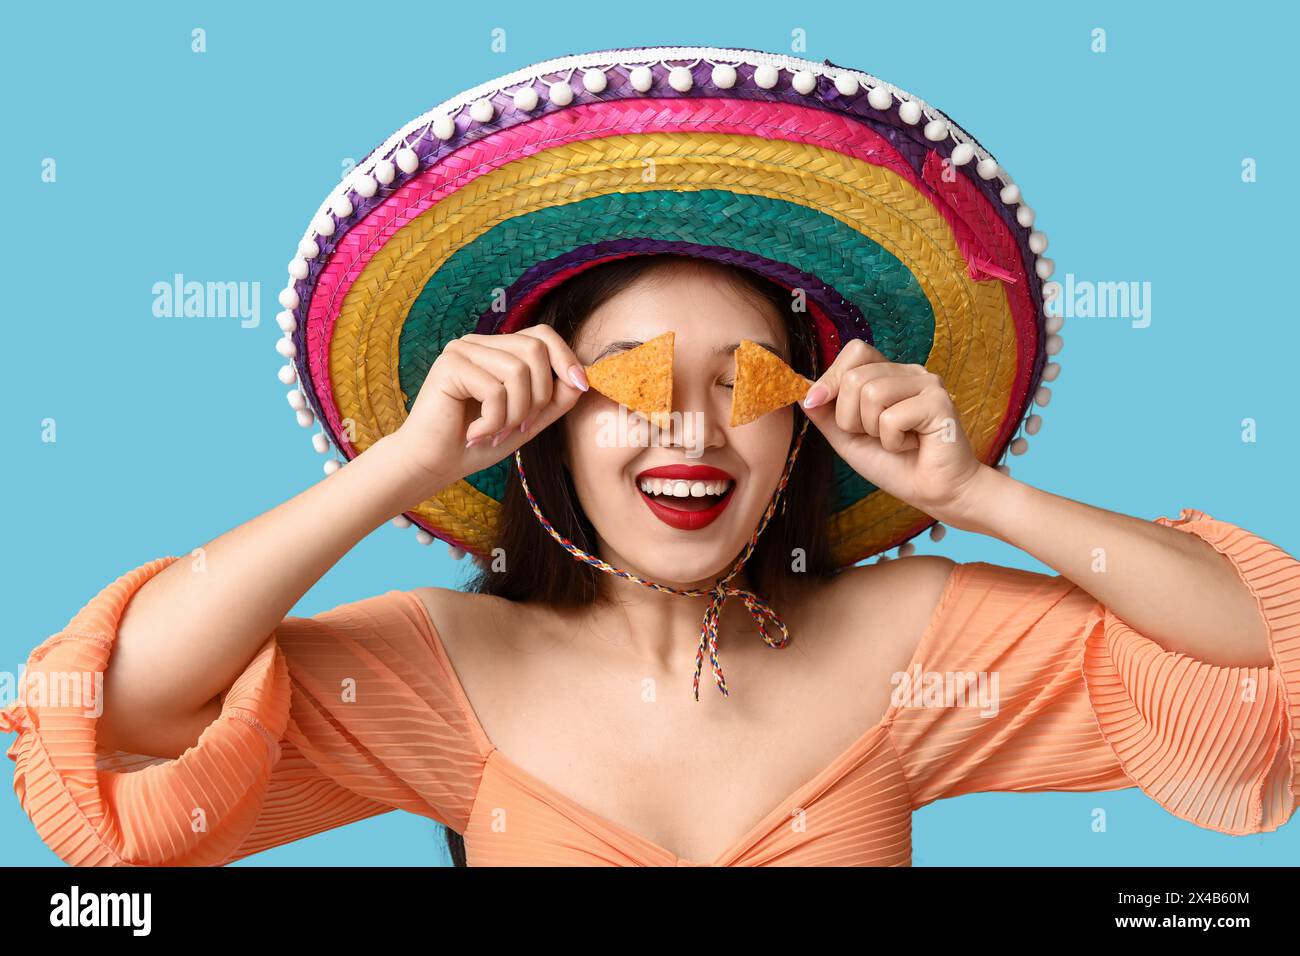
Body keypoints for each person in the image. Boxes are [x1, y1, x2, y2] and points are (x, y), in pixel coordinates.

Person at [5, 45, 1299, 867]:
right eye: (632, 384)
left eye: (742, 385)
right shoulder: (446, 671)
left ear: (805, 418)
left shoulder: (916, 646)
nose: (689, 430)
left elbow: (1258, 654)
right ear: (549, 419)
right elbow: (115, 722)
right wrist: (398, 467)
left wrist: (978, 494)